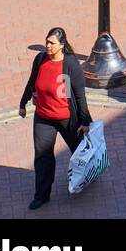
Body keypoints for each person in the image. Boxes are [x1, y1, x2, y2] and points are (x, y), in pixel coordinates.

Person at [19, 27, 91, 210]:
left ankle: (88, 175)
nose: (48, 46)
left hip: (67, 119)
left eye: (52, 43)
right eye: (47, 42)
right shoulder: (41, 59)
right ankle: (42, 195)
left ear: (62, 45)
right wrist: (23, 103)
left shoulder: (69, 66)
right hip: (43, 117)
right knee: (42, 156)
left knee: (80, 151)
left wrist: (85, 122)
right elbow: (32, 81)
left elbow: (78, 96)